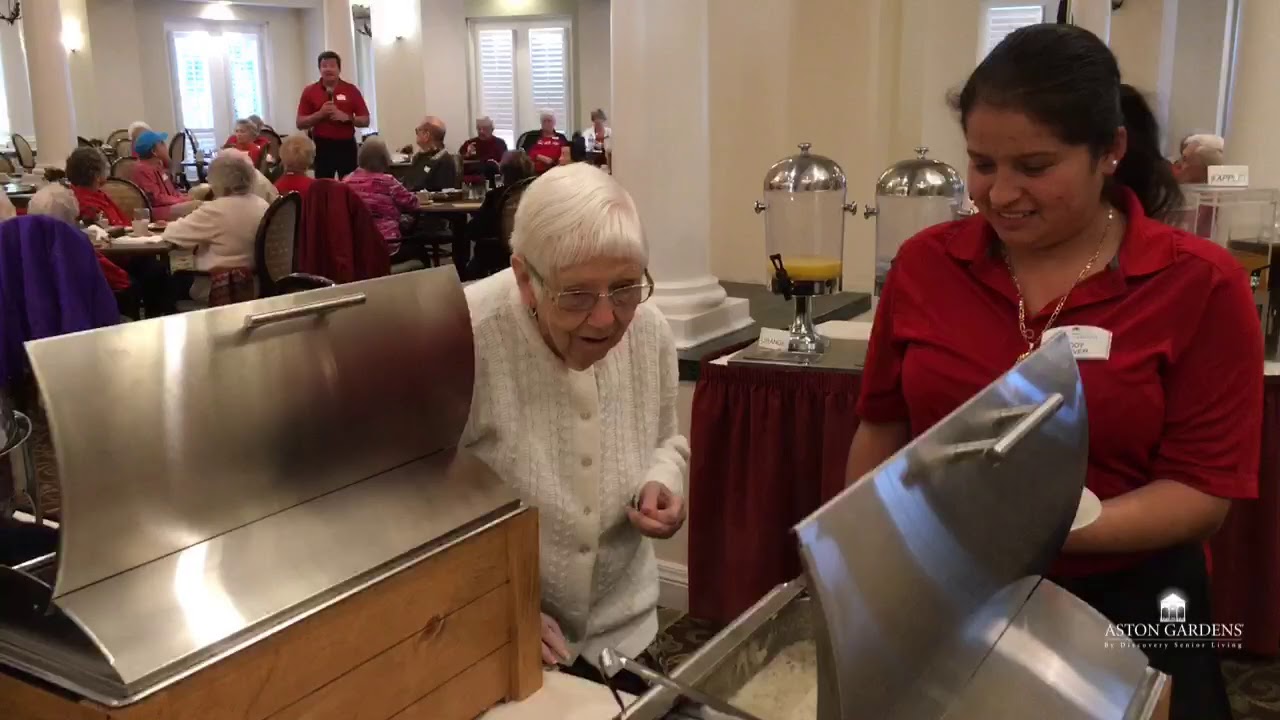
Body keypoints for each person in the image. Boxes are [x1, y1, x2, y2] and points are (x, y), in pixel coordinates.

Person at [846, 24, 1260, 720]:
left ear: (1110, 151)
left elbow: (1202, 492)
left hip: (1129, 602)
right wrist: (867, 554)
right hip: (950, 589)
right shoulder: (925, 264)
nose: (1002, 194)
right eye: (982, 164)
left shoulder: (1200, 284)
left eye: (1035, 167)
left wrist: (1033, 529)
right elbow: (882, 426)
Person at [460, 164, 687, 697]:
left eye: (625, 288)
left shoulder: (649, 328)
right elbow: (423, 504)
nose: (607, 319)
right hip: (504, 636)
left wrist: (664, 480)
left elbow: (666, 439)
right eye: (577, 295)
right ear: (525, 279)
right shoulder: (466, 338)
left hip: (627, 629)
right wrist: (496, 603)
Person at [163, 153, 270, 303]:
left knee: (165, 281)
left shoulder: (215, 210)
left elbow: (171, 234)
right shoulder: (262, 204)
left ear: (217, 181)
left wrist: (191, 211)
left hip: (219, 286)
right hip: (258, 283)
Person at [296, 51, 370, 179]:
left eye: (332, 65)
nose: (328, 69)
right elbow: (300, 123)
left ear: (339, 69)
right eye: (324, 66)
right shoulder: (309, 91)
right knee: (323, 184)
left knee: (349, 183)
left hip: (346, 145)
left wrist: (348, 118)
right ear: (319, 69)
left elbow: (365, 120)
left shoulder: (351, 90)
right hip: (322, 146)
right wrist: (320, 114)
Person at [343, 137, 419, 260]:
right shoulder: (387, 181)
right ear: (384, 159)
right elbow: (413, 204)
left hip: (355, 246)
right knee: (419, 248)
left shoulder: (346, 182)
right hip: (385, 245)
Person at [131, 130, 199, 221]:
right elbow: (156, 199)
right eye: (162, 144)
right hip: (157, 211)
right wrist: (181, 200)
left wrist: (182, 197)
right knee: (197, 206)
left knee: (200, 195)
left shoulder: (158, 165)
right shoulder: (142, 170)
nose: (166, 147)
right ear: (154, 151)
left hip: (170, 204)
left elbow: (171, 191)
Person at [402, 116, 458, 192]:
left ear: (426, 135)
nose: (416, 134)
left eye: (417, 131)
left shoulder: (444, 161)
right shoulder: (418, 157)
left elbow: (442, 193)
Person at [460, 116, 508, 185]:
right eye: (479, 129)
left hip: (493, 179)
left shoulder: (500, 143)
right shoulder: (469, 143)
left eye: (485, 129)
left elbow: (505, 165)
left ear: (492, 129)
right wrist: (467, 155)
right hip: (472, 181)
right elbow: (458, 163)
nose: (481, 131)